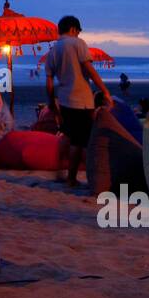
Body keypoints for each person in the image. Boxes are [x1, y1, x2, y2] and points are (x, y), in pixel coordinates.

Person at [45, 15, 114, 187]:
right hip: (81, 99)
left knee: (67, 134)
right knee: (79, 140)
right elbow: (89, 70)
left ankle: (59, 170)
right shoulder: (78, 43)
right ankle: (71, 178)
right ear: (74, 29)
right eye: (78, 31)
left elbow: (48, 80)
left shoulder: (53, 50)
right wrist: (105, 91)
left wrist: (51, 102)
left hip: (64, 99)